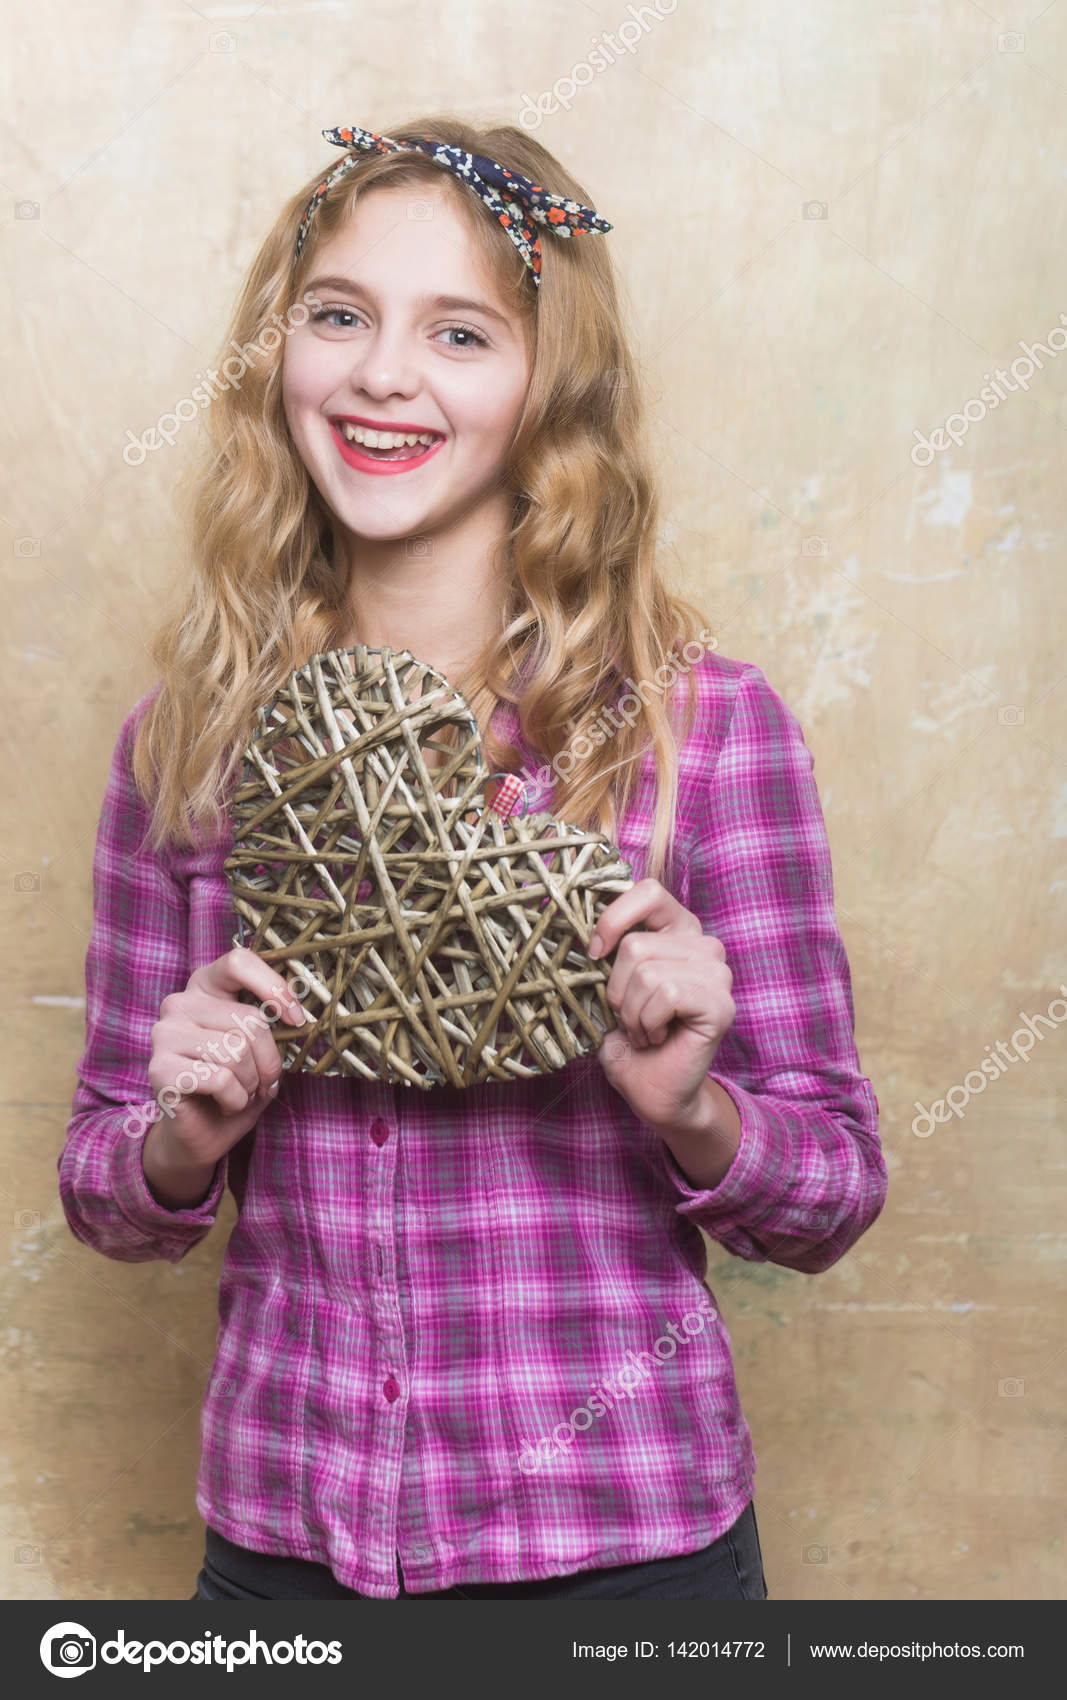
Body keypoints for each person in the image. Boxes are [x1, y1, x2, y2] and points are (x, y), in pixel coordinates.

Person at [58, 115, 887, 1602]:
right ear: (280, 357)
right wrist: (180, 1135)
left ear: (547, 389)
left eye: (459, 333)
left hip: (623, 1557)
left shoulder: (706, 731)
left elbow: (828, 1193)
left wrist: (696, 1108)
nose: (384, 375)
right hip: (286, 1551)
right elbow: (105, 1193)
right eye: (339, 317)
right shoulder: (187, 748)